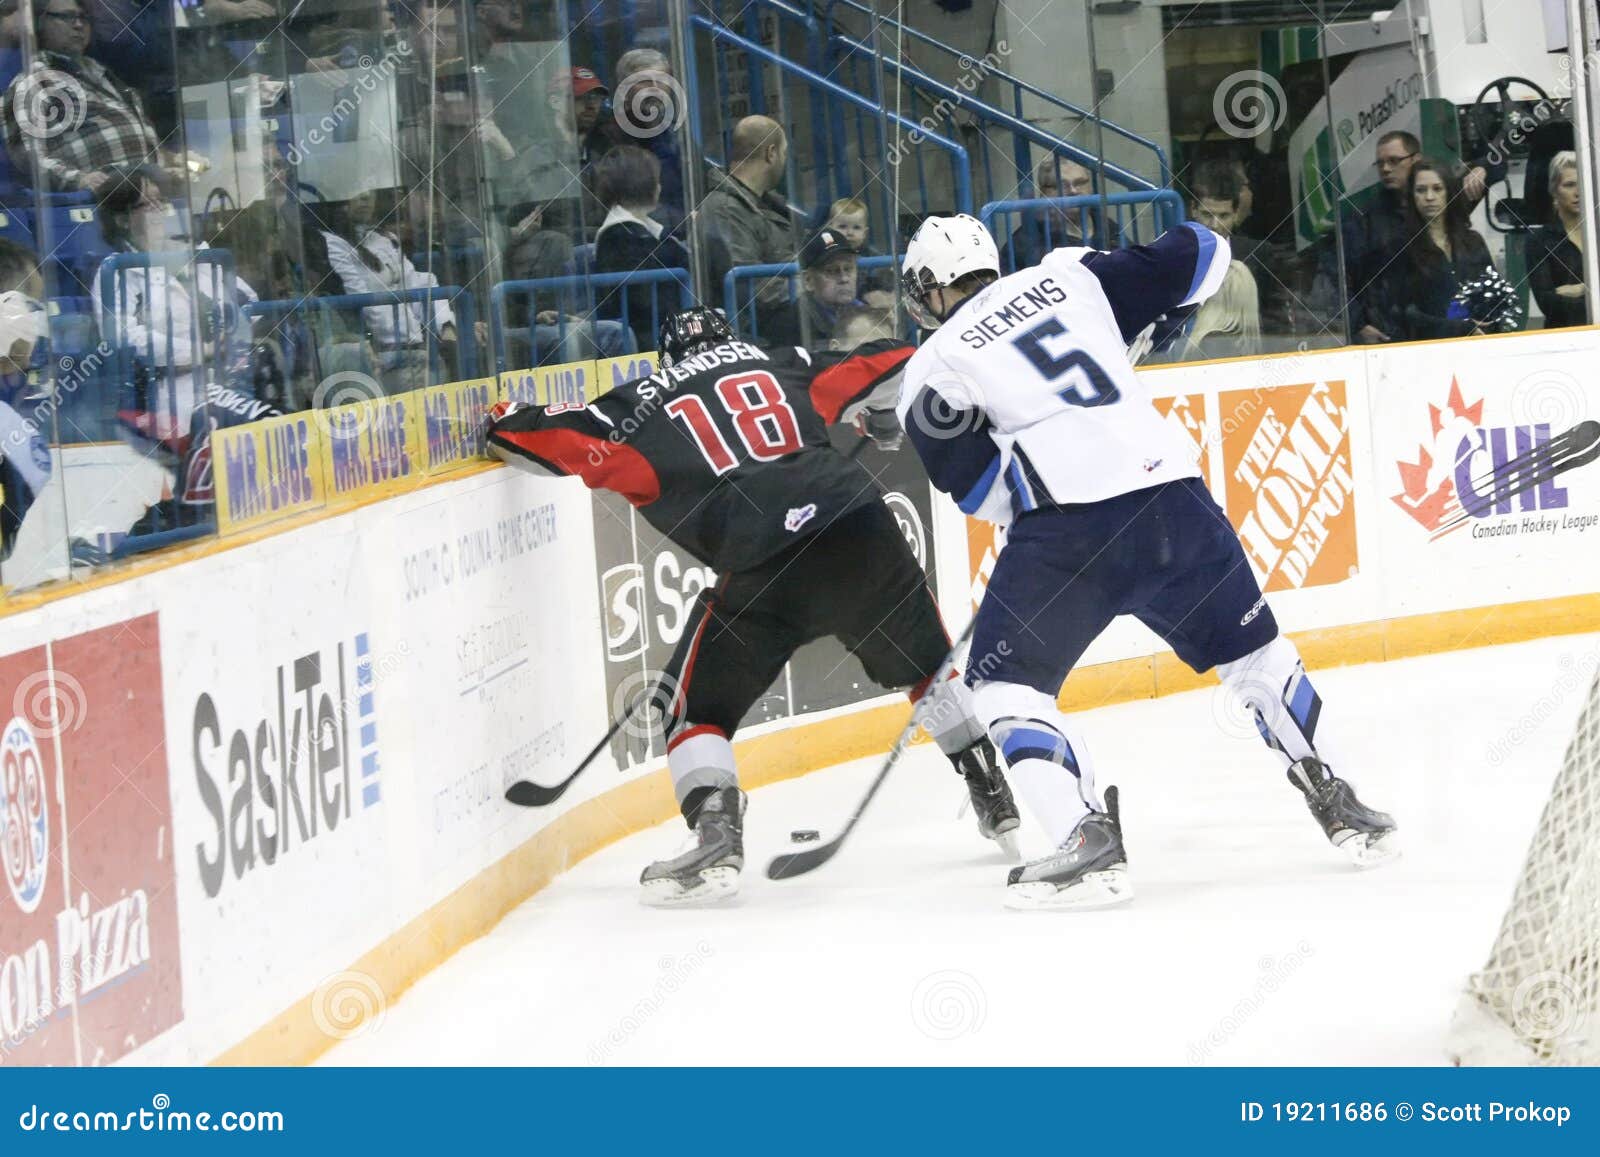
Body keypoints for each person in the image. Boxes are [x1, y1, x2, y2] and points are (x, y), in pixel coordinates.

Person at [894, 214, 1397, 909]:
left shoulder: (929, 368)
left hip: (1069, 532)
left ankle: (1086, 839)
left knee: (1004, 686)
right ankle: (1342, 801)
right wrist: (1157, 316)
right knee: (1257, 657)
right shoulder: (1070, 277)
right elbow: (1207, 249)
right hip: (1176, 504)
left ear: (928, 289)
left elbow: (985, 494)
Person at [485, 307, 1019, 905]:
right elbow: (896, 359)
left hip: (766, 563)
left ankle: (716, 834)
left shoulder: (635, 405)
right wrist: (879, 412)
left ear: (668, 358)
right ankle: (988, 783)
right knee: (928, 670)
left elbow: (537, 439)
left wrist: (501, 418)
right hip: (861, 527)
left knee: (697, 714)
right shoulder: (783, 364)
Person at [1, 0, 173, 194]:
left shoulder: (104, 75)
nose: (78, 25)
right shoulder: (33, 80)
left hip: (149, 192)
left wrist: (169, 163)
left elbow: (145, 136)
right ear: (39, 24)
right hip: (102, 199)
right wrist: (80, 180)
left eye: (83, 18)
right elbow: (27, 156)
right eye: (66, 17)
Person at [1378, 159, 1508, 341]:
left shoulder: (1473, 241)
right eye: (1421, 190)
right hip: (1430, 347)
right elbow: (1401, 313)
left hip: (1481, 342)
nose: (1429, 197)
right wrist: (1459, 328)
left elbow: (1496, 294)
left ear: (1449, 193)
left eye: (1437, 189)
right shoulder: (1400, 247)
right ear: (1412, 196)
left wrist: (1490, 322)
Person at [699, 115, 800, 329]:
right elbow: (751, 286)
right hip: (756, 328)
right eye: (784, 153)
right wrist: (810, 288)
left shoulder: (767, 203)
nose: (784, 161)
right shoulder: (724, 208)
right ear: (771, 153)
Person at [593, 144, 690, 349]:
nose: (660, 186)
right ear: (646, 185)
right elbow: (645, 301)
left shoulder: (647, 233)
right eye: (656, 180)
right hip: (649, 341)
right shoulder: (619, 236)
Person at [999, 156, 1120, 273]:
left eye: (1080, 183)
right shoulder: (1025, 241)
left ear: (1091, 187)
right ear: (1044, 193)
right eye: (1061, 185)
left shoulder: (1106, 225)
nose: (1073, 191)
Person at [762, 228, 863, 348]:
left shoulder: (867, 313)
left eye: (848, 269)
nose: (844, 279)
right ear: (808, 280)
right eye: (831, 271)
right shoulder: (788, 326)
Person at [1527, 150, 1589, 330]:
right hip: (1563, 333)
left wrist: (1582, 289)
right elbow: (1548, 303)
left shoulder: (1596, 233)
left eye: (1582, 183)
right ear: (1554, 190)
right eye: (1569, 185)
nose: (1578, 192)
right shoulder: (1539, 240)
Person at [822, 195, 894, 304]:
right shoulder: (826, 254)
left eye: (856, 227)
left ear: (864, 233)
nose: (850, 233)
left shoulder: (872, 256)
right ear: (831, 229)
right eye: (842, 227)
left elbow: (885, 281)